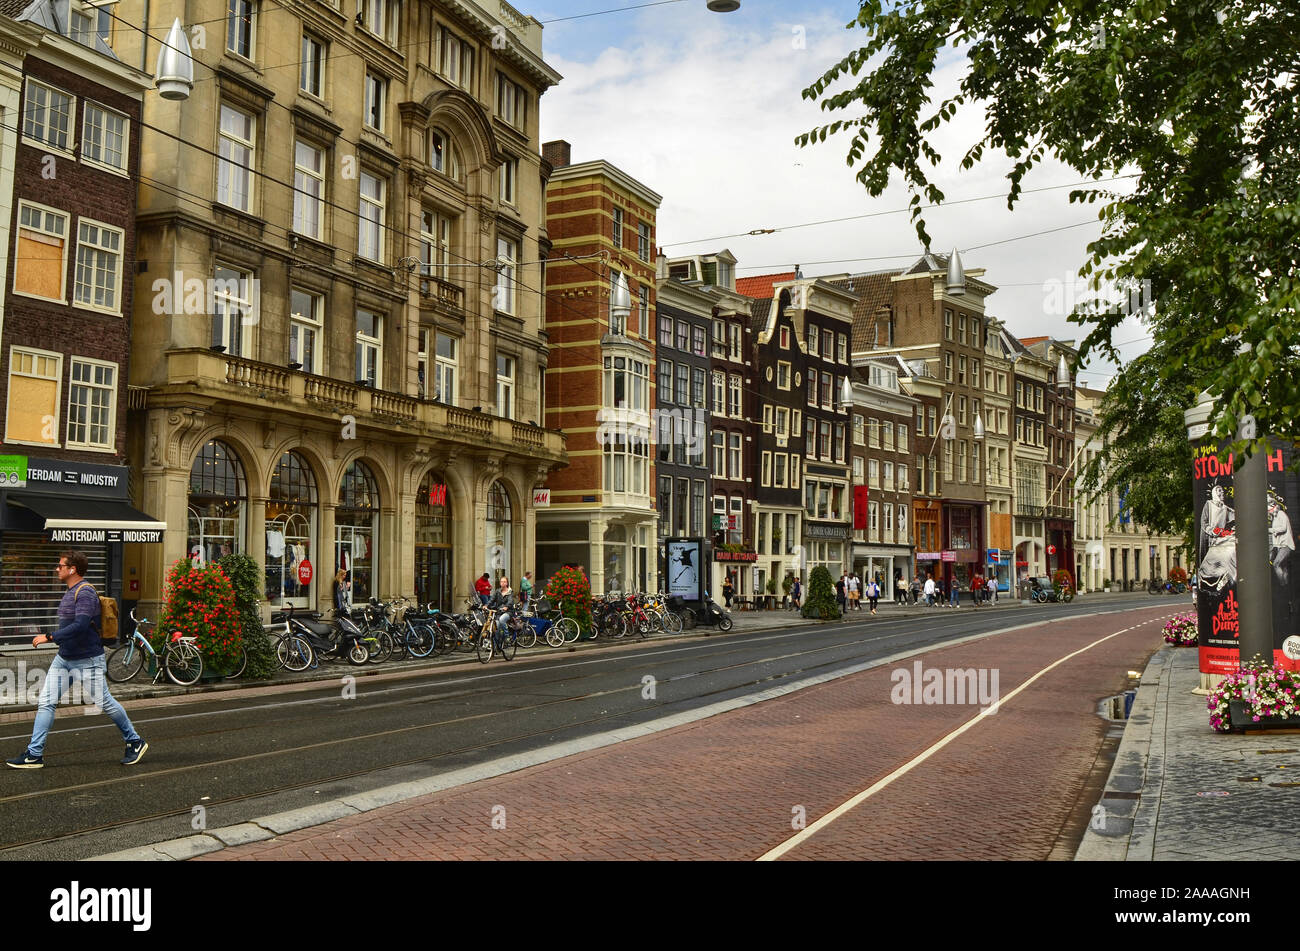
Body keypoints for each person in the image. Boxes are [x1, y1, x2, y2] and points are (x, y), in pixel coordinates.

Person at [8, 551, 147, 769]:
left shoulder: (84, 593)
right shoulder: (70, 591)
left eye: (60, 565)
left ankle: (135, 741)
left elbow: (81, 625)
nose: (57, 569)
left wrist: (50, 636)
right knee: (46, 702)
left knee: (105, 703)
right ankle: (34, 754)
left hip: (87, 660)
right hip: (65, 658)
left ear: (72, 569)